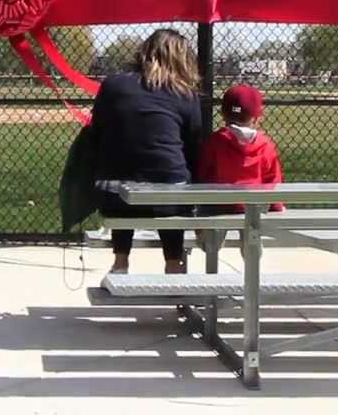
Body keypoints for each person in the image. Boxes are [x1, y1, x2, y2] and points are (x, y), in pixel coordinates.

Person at [91, 29, 203, 275]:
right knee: (171, 180)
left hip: (113, 195)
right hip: (169, 199)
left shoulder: (113, 84)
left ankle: (121, 261)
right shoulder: (185, 93)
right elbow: (194, 144)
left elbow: (96, 131)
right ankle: (173, 262)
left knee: (125, 176)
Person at [194, 84, 285, 255]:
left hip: (218, 205)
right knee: (252, 233)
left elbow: (203, 173)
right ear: (256, 118)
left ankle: (209, 244)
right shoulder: (265, 144)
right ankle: (252, 259)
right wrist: (276, 206)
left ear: (223, 114)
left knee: (210, 238)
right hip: (252, 206)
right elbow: (273, 178)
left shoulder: (216, 141)